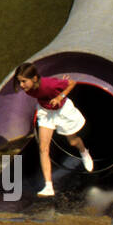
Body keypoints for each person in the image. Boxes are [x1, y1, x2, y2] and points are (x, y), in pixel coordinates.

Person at [14, 61, 93, 197]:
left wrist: (59, 96)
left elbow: (72, 83)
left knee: (72, 142)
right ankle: (48, 186)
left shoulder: (49, 84)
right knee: (43, 148)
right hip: (46, 113)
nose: (21, 85)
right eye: (19, 81)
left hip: (62, 111)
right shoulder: (29, 89)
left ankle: (84, 152)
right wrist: (58, 87)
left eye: (23, 81)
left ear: (34, 78)